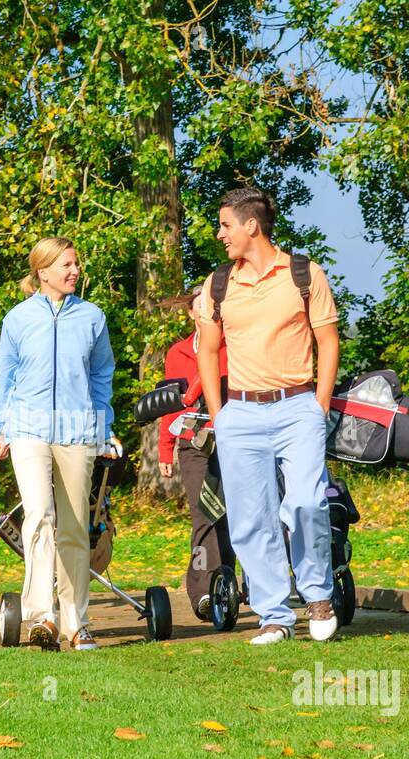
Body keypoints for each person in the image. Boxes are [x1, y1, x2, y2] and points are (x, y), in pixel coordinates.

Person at [194, 187, 341, 644]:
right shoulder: (217, 284)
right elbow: (209, 351)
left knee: (306, 502)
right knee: (250, 518)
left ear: (250, 225)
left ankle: (317, 594)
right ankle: (274, 614)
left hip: (298, 407)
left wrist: (318, 406)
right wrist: (220, 415)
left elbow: (329, 342)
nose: (221, 234)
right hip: (241, 411)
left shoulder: (304, 274)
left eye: (225, 225)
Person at [0, 237, 115, 651]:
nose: (75, 271)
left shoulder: (91, 317)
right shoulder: (17, 319)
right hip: (28, 431)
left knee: (74, 527)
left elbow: (102, 374)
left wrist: (102, 426)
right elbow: (2, 384)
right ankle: (41, 618)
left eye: (76, 264)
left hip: (76, 432)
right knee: (38, 516)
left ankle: (76, 623)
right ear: (43, 271)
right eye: (67, 265)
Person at [156, 285, 235, 621]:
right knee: (204, 516)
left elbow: (214, 373)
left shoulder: (233, 345)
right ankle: (203, 590)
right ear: (191, 313)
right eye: (200, 306)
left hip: (234, 440)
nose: (207, 312)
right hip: (193, 442)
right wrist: (165, 447)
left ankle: (229, 586)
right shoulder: (178, 353)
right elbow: (172, 403)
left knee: (234, 515)